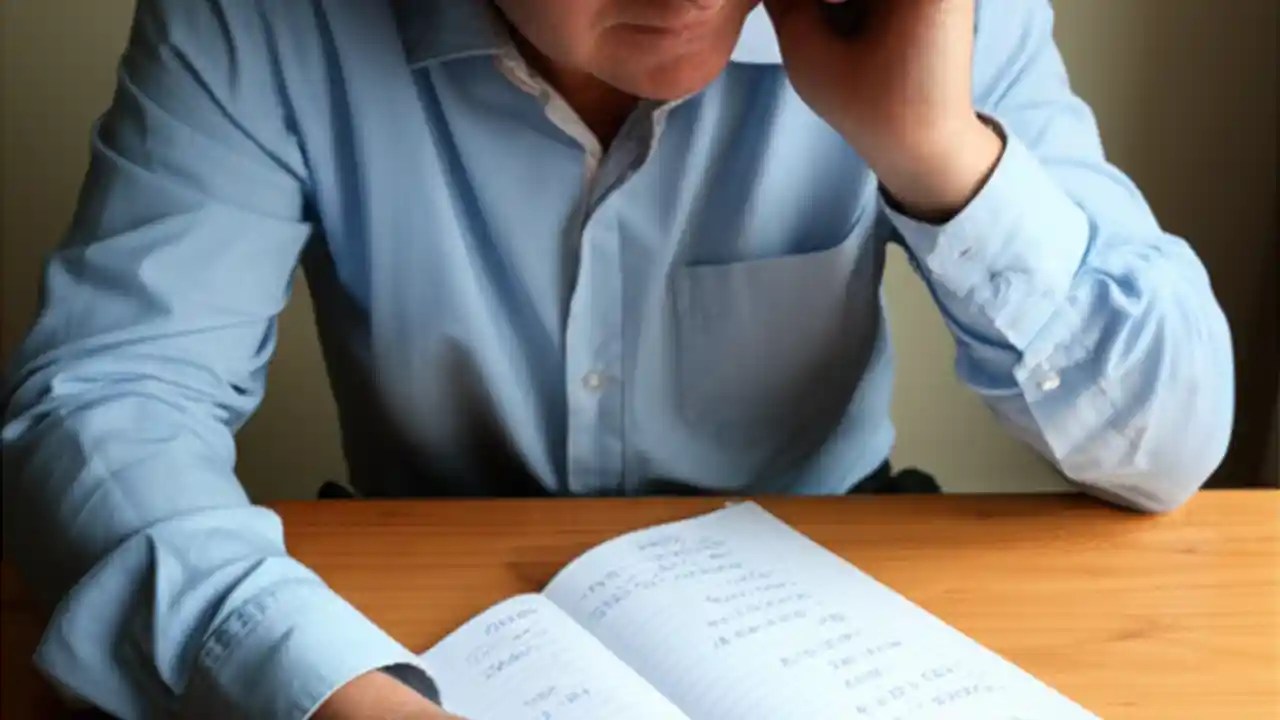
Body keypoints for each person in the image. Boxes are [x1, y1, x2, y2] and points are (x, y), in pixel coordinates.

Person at [1, 0, 1234, 717]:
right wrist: (313, 691)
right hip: (413, 623)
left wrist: (935, 149)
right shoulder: (258, 20)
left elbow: (1170, 444)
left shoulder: (945, 16)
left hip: (832, 607)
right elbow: (109, 400)